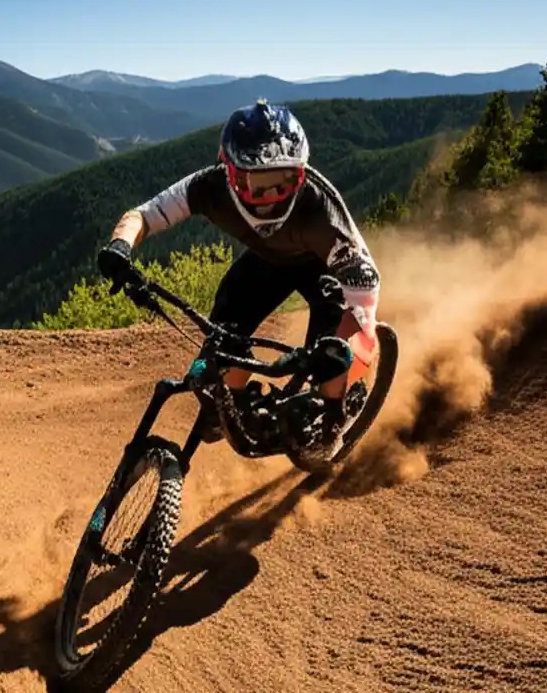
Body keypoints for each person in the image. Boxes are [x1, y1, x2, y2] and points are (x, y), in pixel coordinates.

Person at [95, 99, 382, 460]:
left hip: (323, 269)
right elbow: (144, 215)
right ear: (228, 171)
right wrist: (119, 247)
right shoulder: (208, 186)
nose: (270, 198)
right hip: (265, 263)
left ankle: (333, 421)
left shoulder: (322, 208)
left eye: (284, 181)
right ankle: (239, 407)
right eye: (256, 184)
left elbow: (365, 291)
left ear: (302, 173)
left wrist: (340, 349)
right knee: (218, 358)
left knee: (330, 356)